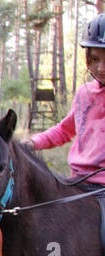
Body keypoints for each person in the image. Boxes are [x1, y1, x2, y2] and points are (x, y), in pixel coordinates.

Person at [29, 14, 105, 180]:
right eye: (95, 59)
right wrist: (32, 143)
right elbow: (65, 130)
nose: (100, 68)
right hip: (78, 181)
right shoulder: (84, 94)